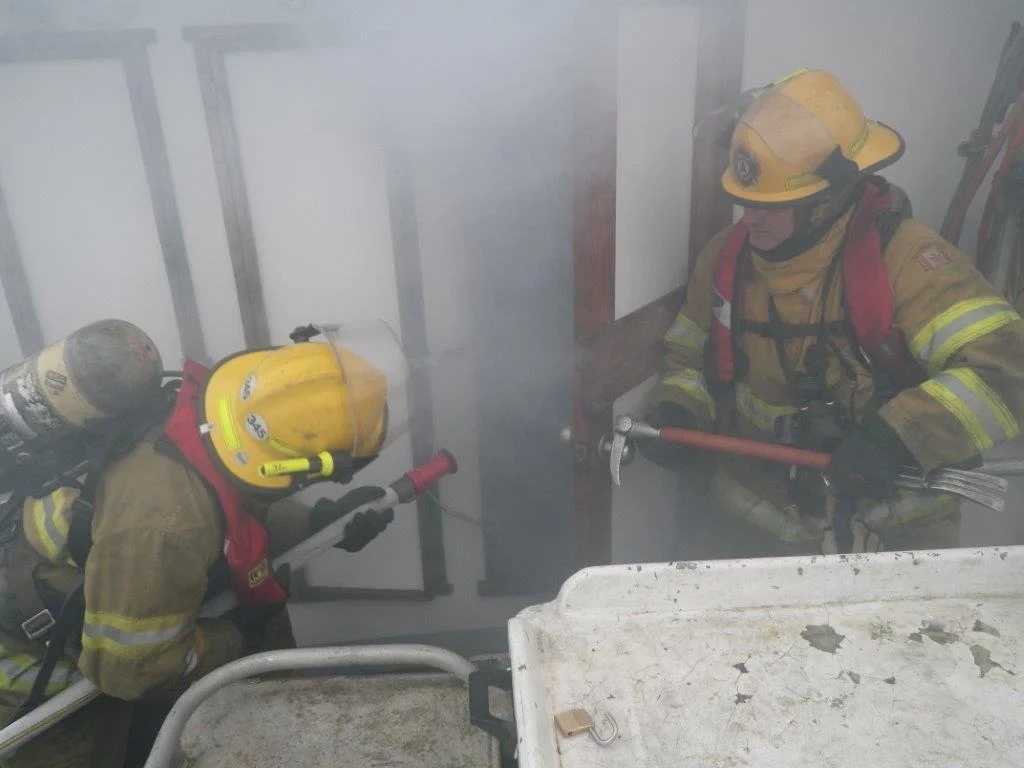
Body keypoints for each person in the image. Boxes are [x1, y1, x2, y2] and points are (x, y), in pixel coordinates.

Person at [642, 69, 1024, 559]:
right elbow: (687, 355)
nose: (750, 218)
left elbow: (1008, 371)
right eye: (745, 202)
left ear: (827, 201)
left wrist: (897, 437)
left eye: (773, 206)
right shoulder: (725, 260)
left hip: (891, 539)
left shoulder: (908, 262)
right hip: (748, 529)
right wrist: (677, 410)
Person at [0, 322, 403, 767]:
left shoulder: (215, 416)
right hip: (33, 674)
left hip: (108, 598)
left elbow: (230, 507)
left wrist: (315, 521)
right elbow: (129, 670)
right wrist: (236, 634)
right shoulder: (165, 525)